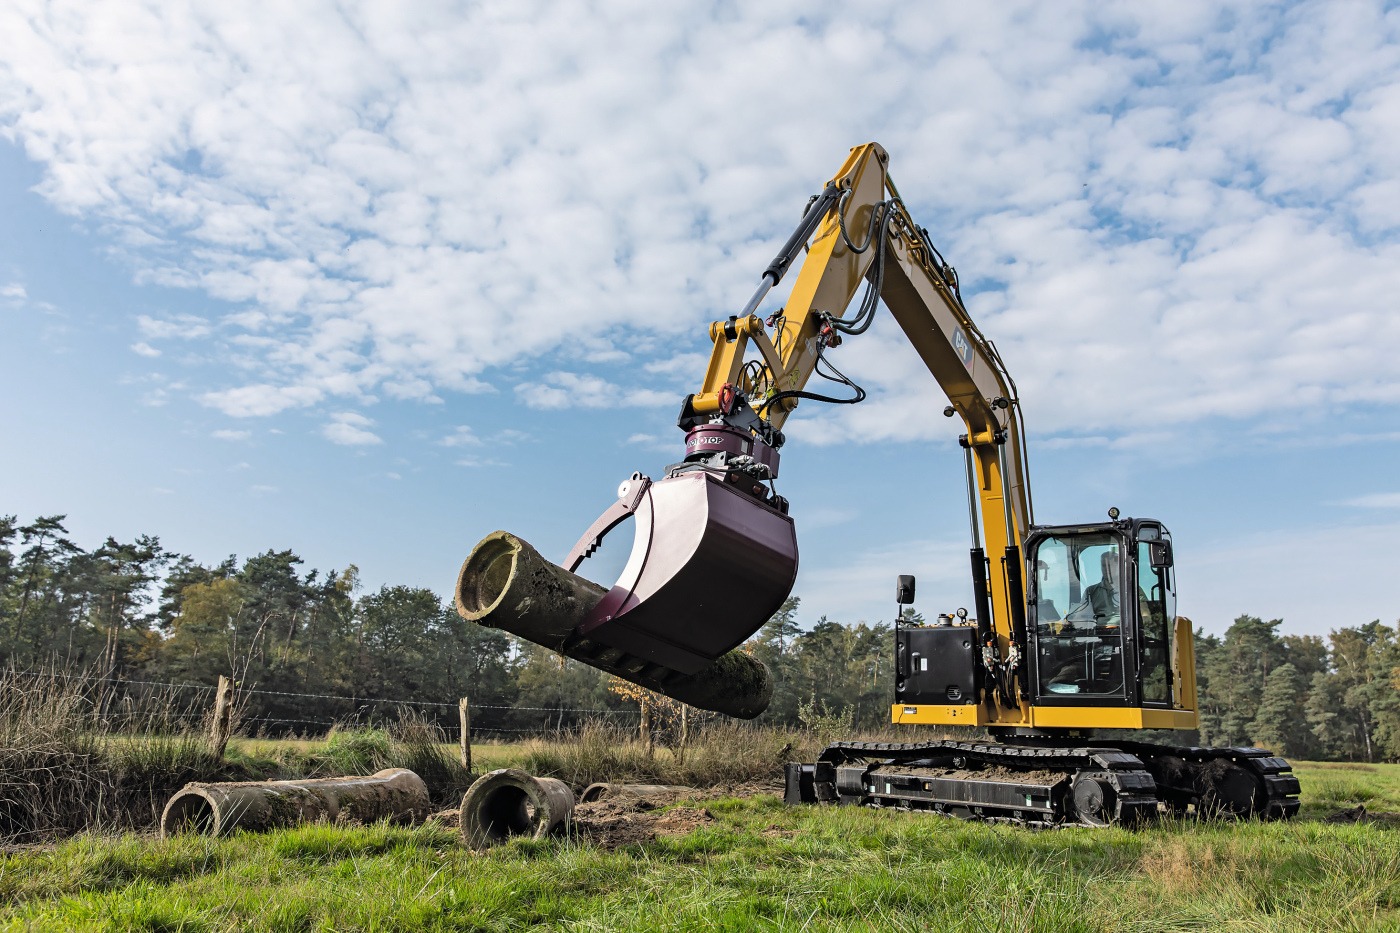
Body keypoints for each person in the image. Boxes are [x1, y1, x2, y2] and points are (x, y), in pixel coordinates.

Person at [1083, 551, 1120, 627]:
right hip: (1100, 632)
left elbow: (1144, 615)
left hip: (1127, 631)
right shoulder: (1091, 591)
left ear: (1118, 566)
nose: (1107, 569)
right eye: (1104, 565)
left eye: (1110, 565)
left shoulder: (1133, 590)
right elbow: (1081, 618)